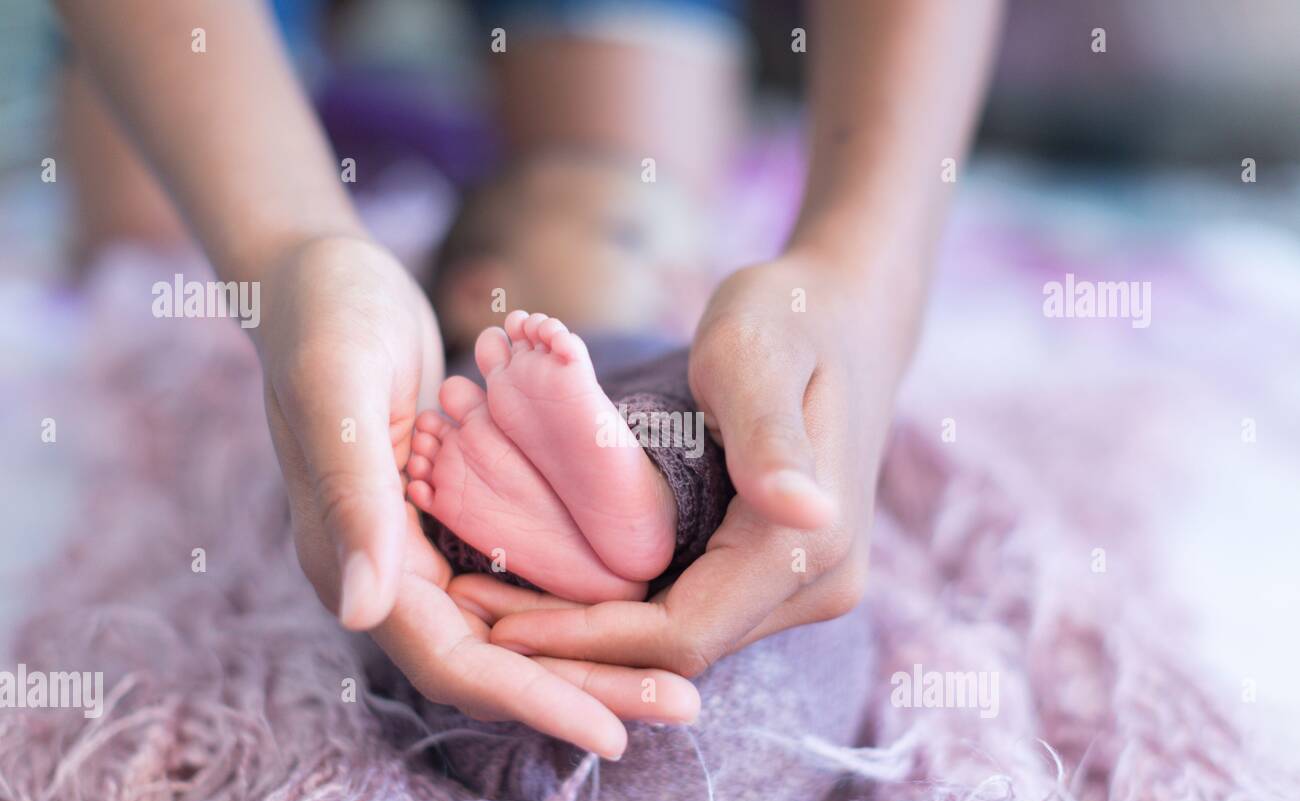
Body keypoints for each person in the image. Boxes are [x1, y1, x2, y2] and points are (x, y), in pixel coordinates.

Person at [53, 0, 1003, 759]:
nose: (687, 278)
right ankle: (596, 511)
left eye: (693, 256)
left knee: (638, 194)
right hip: (554, 402)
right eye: (635, 242)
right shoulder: (505, 352)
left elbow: (820, 290)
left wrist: (857, 283)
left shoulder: (630, 345)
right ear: (476, 290)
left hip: (572, 419)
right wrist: (284, 250)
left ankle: (568, 518)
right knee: (151, 237)